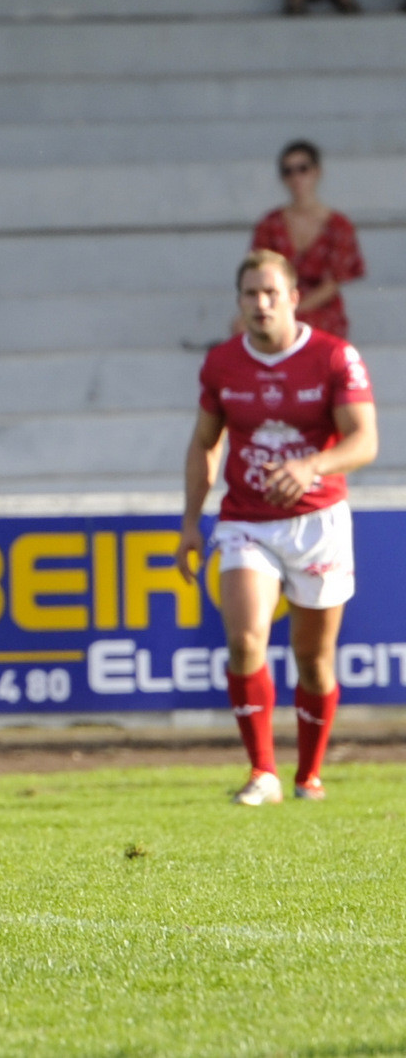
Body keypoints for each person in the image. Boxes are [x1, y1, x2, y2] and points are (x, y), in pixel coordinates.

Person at [175, 250, 377, 806]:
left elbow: (364, 441)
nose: (260, 304)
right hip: (246, 519)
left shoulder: (334, 357)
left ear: (293, 297)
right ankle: (262, 771)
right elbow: (204, 443)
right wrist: (192, 522)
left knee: (314, 659)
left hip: (318, 520)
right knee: (244, 641)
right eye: (249, 294)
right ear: (238, 301)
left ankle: (308, 774)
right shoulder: (221, 364)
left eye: (270, 293)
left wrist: (310, 466)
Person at [248, 140, 364, 341]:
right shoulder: (269, 224)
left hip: (321, 309)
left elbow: (331, 285)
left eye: (303, 169)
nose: (296, 177)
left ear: (317, 172)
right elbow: (258, 274)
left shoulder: (339, 226)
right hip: (275, 304)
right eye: (288, 171)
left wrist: (291, 310)